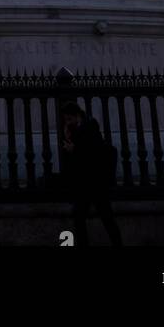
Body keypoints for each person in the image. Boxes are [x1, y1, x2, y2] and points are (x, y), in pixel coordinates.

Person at [59, 101, 122, 247]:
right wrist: (69, 139)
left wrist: (74, 148)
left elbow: (93, 152)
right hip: (86, 183)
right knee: (80, 216)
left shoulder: (91, 125)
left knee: (106, 218)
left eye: (69, 119)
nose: (67, 122)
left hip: (96, 181)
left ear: (77, 116)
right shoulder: (75, 129)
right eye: (66, 120)